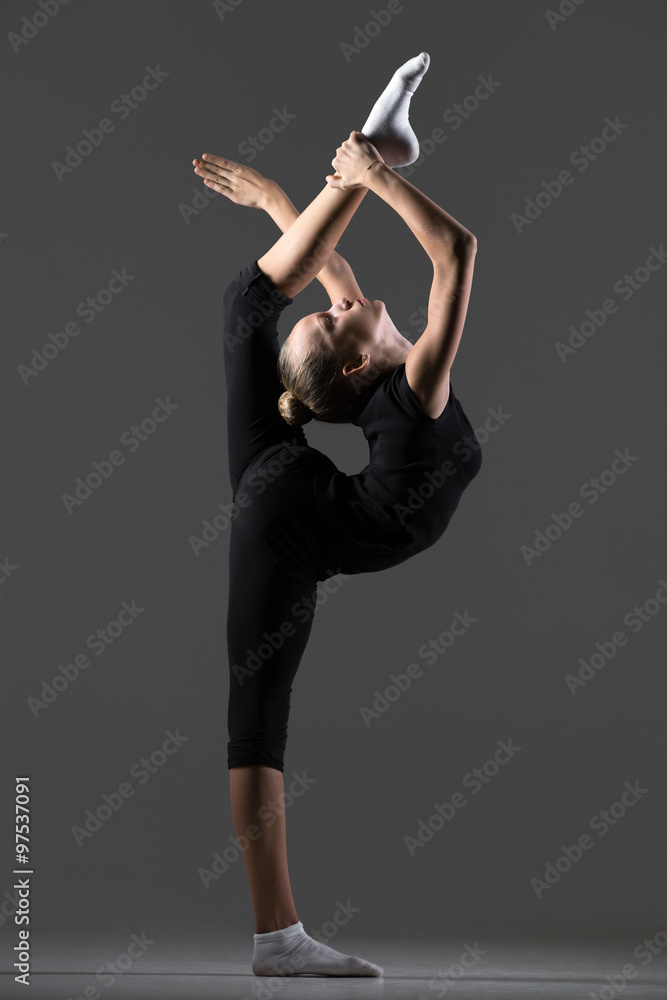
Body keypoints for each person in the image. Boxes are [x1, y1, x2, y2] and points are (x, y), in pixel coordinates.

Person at [192, 52, 481, 978]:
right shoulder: (414, 389)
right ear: (355, 363)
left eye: (332, 312)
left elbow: (335, 266)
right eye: (335, 314)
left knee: (246, 302)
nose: (342, 297)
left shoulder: (386, 387)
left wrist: (286, 198)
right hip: (293, 512)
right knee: (255, 720)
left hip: (288, 495)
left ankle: (277, 940)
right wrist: (373, 177)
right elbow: (456, 253)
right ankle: (278, 941)